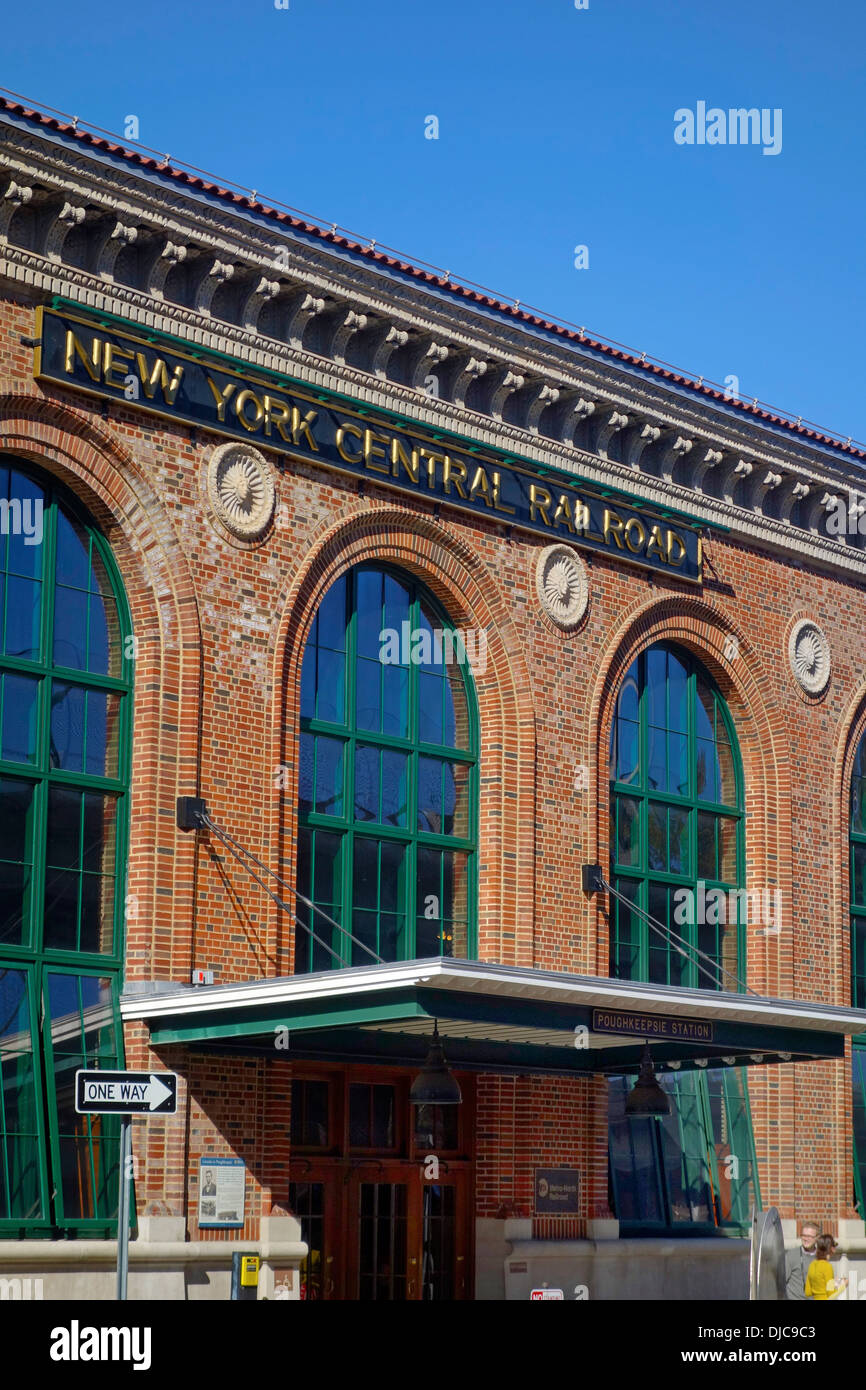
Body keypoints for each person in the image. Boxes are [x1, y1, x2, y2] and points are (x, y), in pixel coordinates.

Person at [805, 1234, 848, 1301]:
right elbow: (831, 1295)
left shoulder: (812, 1265)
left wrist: (835, 1283)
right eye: (834, 1245)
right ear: (831, 1248)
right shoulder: (827, 1266)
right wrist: (843, 1285)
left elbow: (808, 1292)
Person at [786, 1222, 818, 1300]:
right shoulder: (791, 1255)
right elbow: (780, 1282)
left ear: (817, 1238)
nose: (806, 1239)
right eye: (804, 1235)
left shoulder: (821, 1257)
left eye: (809, 1236)